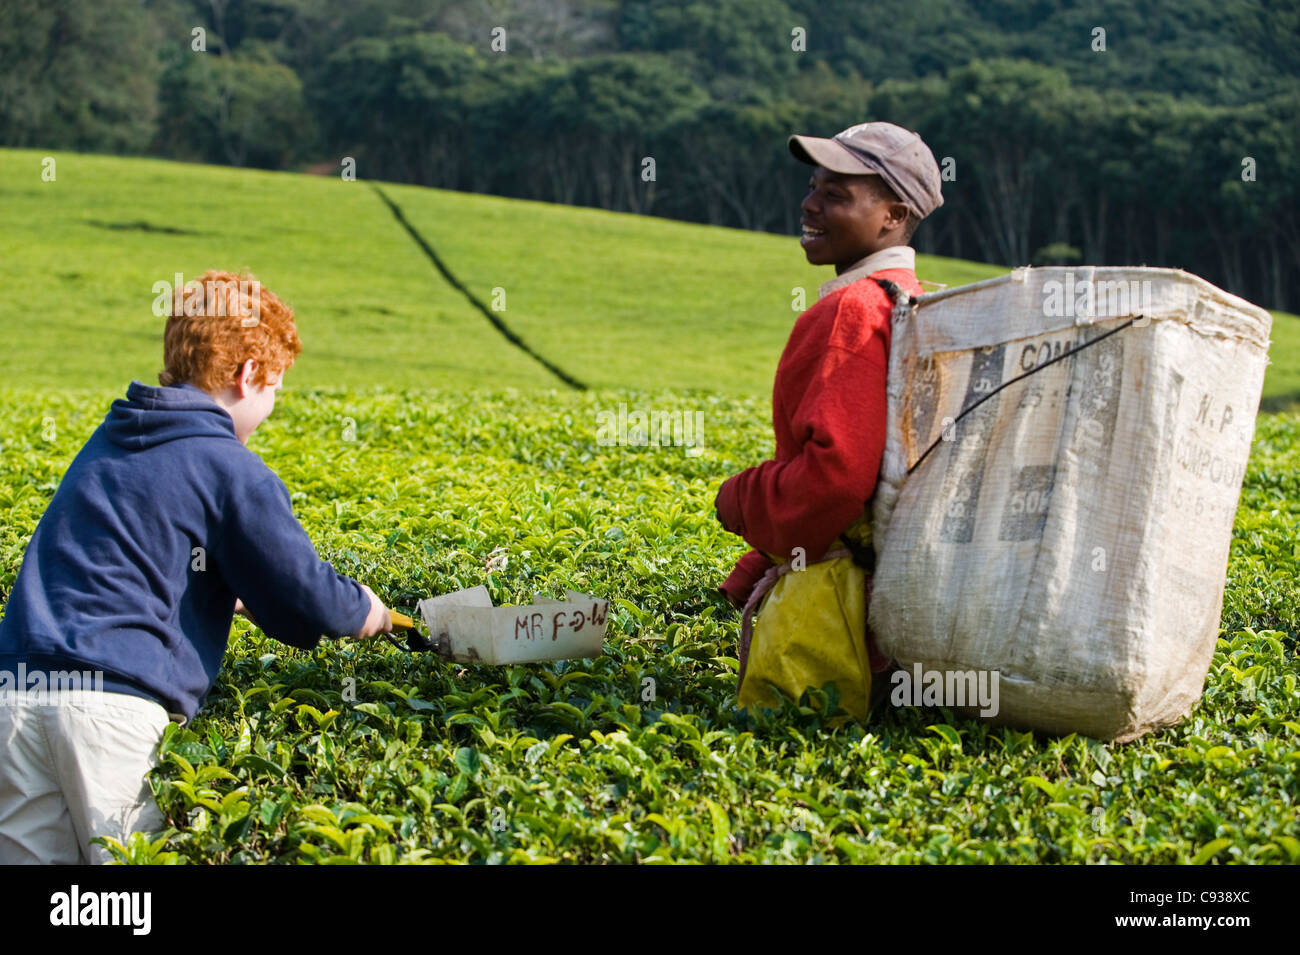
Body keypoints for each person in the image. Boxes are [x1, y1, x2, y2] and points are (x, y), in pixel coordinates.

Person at [0, 270, 394, 864]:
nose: (270, 406)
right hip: (112, 708)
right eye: (275, 388)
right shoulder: (229, 466)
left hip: (16, 696)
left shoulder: (109, 442)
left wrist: (217, 593)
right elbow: (302, 596)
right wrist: (366, 610)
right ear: (248, 375)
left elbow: (127, 557)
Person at [714, 122, 944, 719]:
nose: (808, 203)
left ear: (892, 216)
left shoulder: (850, 310)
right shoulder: (913, 297)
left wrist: (739, 499)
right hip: (899, 611)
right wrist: (751, 570)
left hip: (838, 619)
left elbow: (836, 478)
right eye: (813, 186)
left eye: (835, 195)